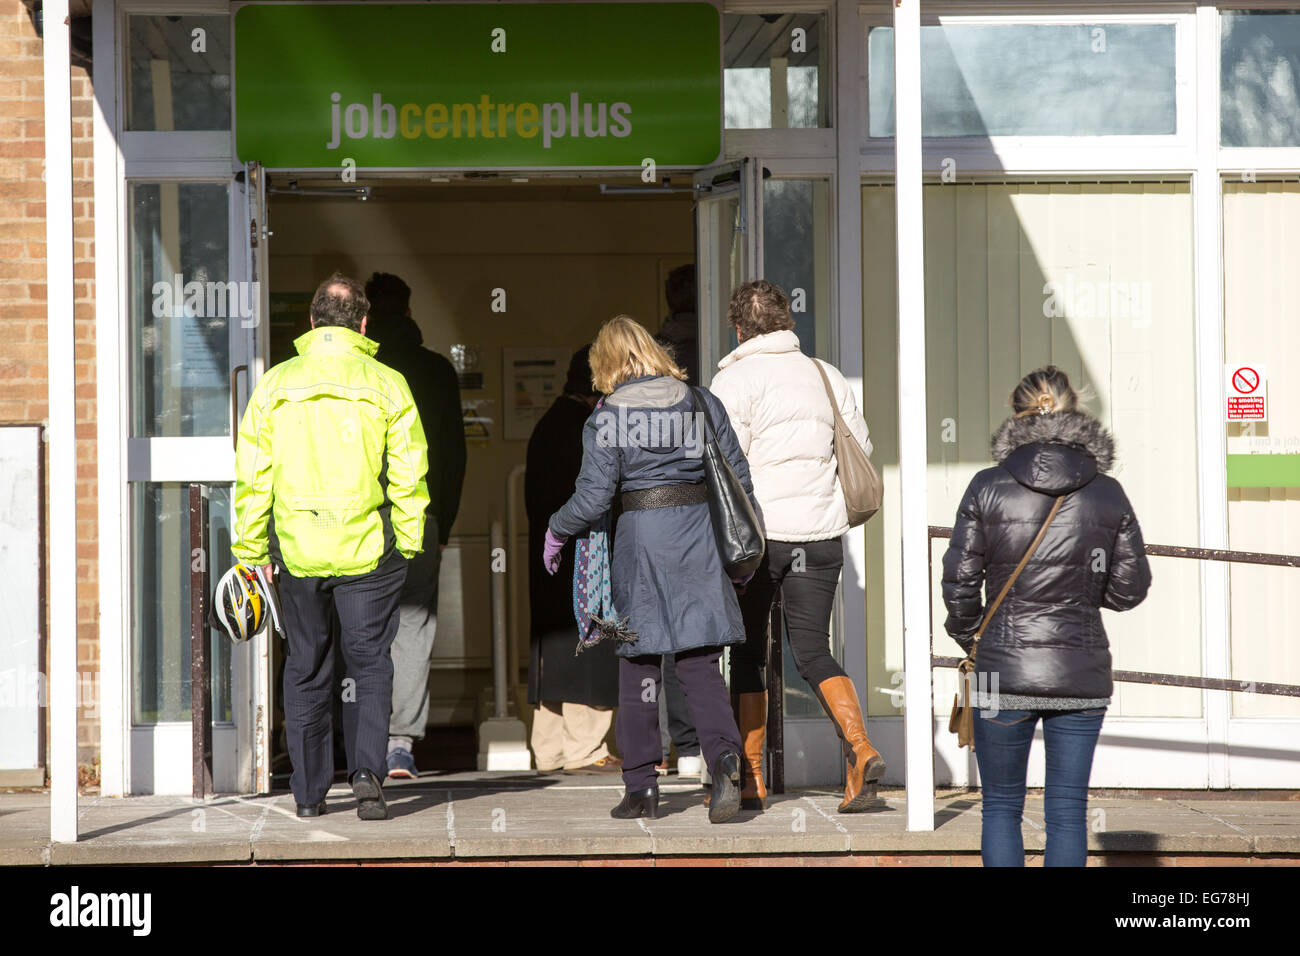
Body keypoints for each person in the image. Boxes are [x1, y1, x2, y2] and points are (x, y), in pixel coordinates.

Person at [232, 273, 429, 820]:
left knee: (306, 666)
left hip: (296, 550)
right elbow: (409, 474)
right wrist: (407, 541)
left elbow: (252, 475)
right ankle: (367, 771)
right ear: (364, 324)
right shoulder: (389, 382)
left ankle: (309, 794)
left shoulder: (275, 384)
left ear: (312, 321)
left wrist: (251, 550)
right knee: (369, 665)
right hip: (367, 549)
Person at [544, 315, 751, 823]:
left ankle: (641, 788)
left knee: (639, 664)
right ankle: (724, 757)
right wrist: (743, 551)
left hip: (642, 540)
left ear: (606, 363)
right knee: (699, 662)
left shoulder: (607, 415)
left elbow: (594, 497)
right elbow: (738, 477)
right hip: (699, 537)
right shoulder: (701, 402)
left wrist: (556, 529)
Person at [942, 366, 1152, 866]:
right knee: (1066, 810)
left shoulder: (986, 486)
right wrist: (1081, 591)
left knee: (999, 808)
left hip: (997, 669)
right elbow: (1129, 589)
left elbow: (959, 583)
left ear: (1016, 416)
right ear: (1077, 413)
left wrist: (974, 636)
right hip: (1080, 668)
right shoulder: (1107, 493)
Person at [710, 279, 885, 813]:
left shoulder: (732, 382)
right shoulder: (824, 374)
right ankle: (860, 748)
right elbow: (861, 445)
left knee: (748, 651)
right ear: (788, 320)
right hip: (821, 534)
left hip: (760, 540)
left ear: (738, 328)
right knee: (811, 648)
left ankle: (753, 779)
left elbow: (721, 464)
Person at [363, 272, 467, 780]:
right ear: (407, 312)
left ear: (365, 317)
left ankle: (360, 738)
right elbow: (452, 454)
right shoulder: (435, 371)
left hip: (353, 517)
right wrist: (441, 521)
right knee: (413, 626)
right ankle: (399, 744)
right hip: (418, 517)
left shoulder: (357, 369)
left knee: (359, 624)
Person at [525, 347, 622, 774]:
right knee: (591, 644)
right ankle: (586, 749)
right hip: (585, 554)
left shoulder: (548, 423)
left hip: (548, 553)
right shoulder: (588, 426)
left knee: (553, 649)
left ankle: (549, 751)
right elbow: (595, 496)